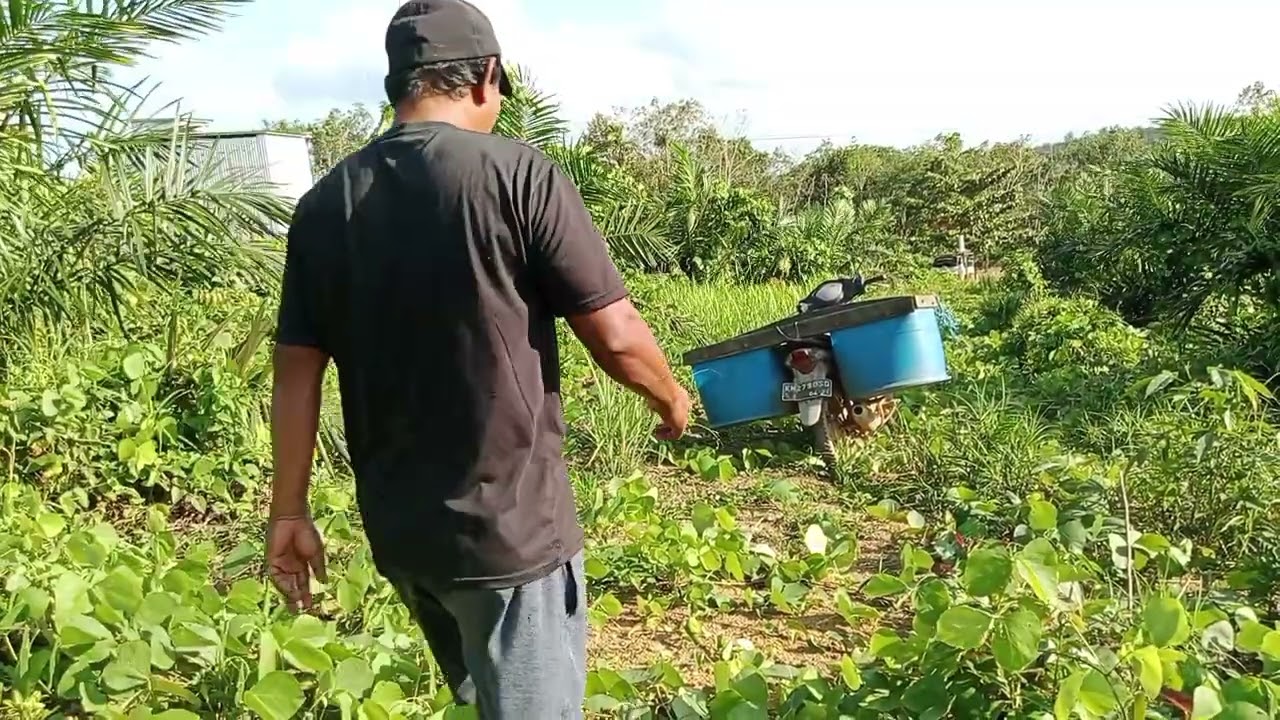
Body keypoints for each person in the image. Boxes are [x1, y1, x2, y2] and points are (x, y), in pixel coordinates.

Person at [263, 0, 690, 716]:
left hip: (404, 540)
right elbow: (615, 335)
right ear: (487, 78)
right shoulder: (517, 175)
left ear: (397, 85)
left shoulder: (322, 204)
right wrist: (672, 397)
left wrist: (288, 512)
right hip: (510, 539)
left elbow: (296, 372)